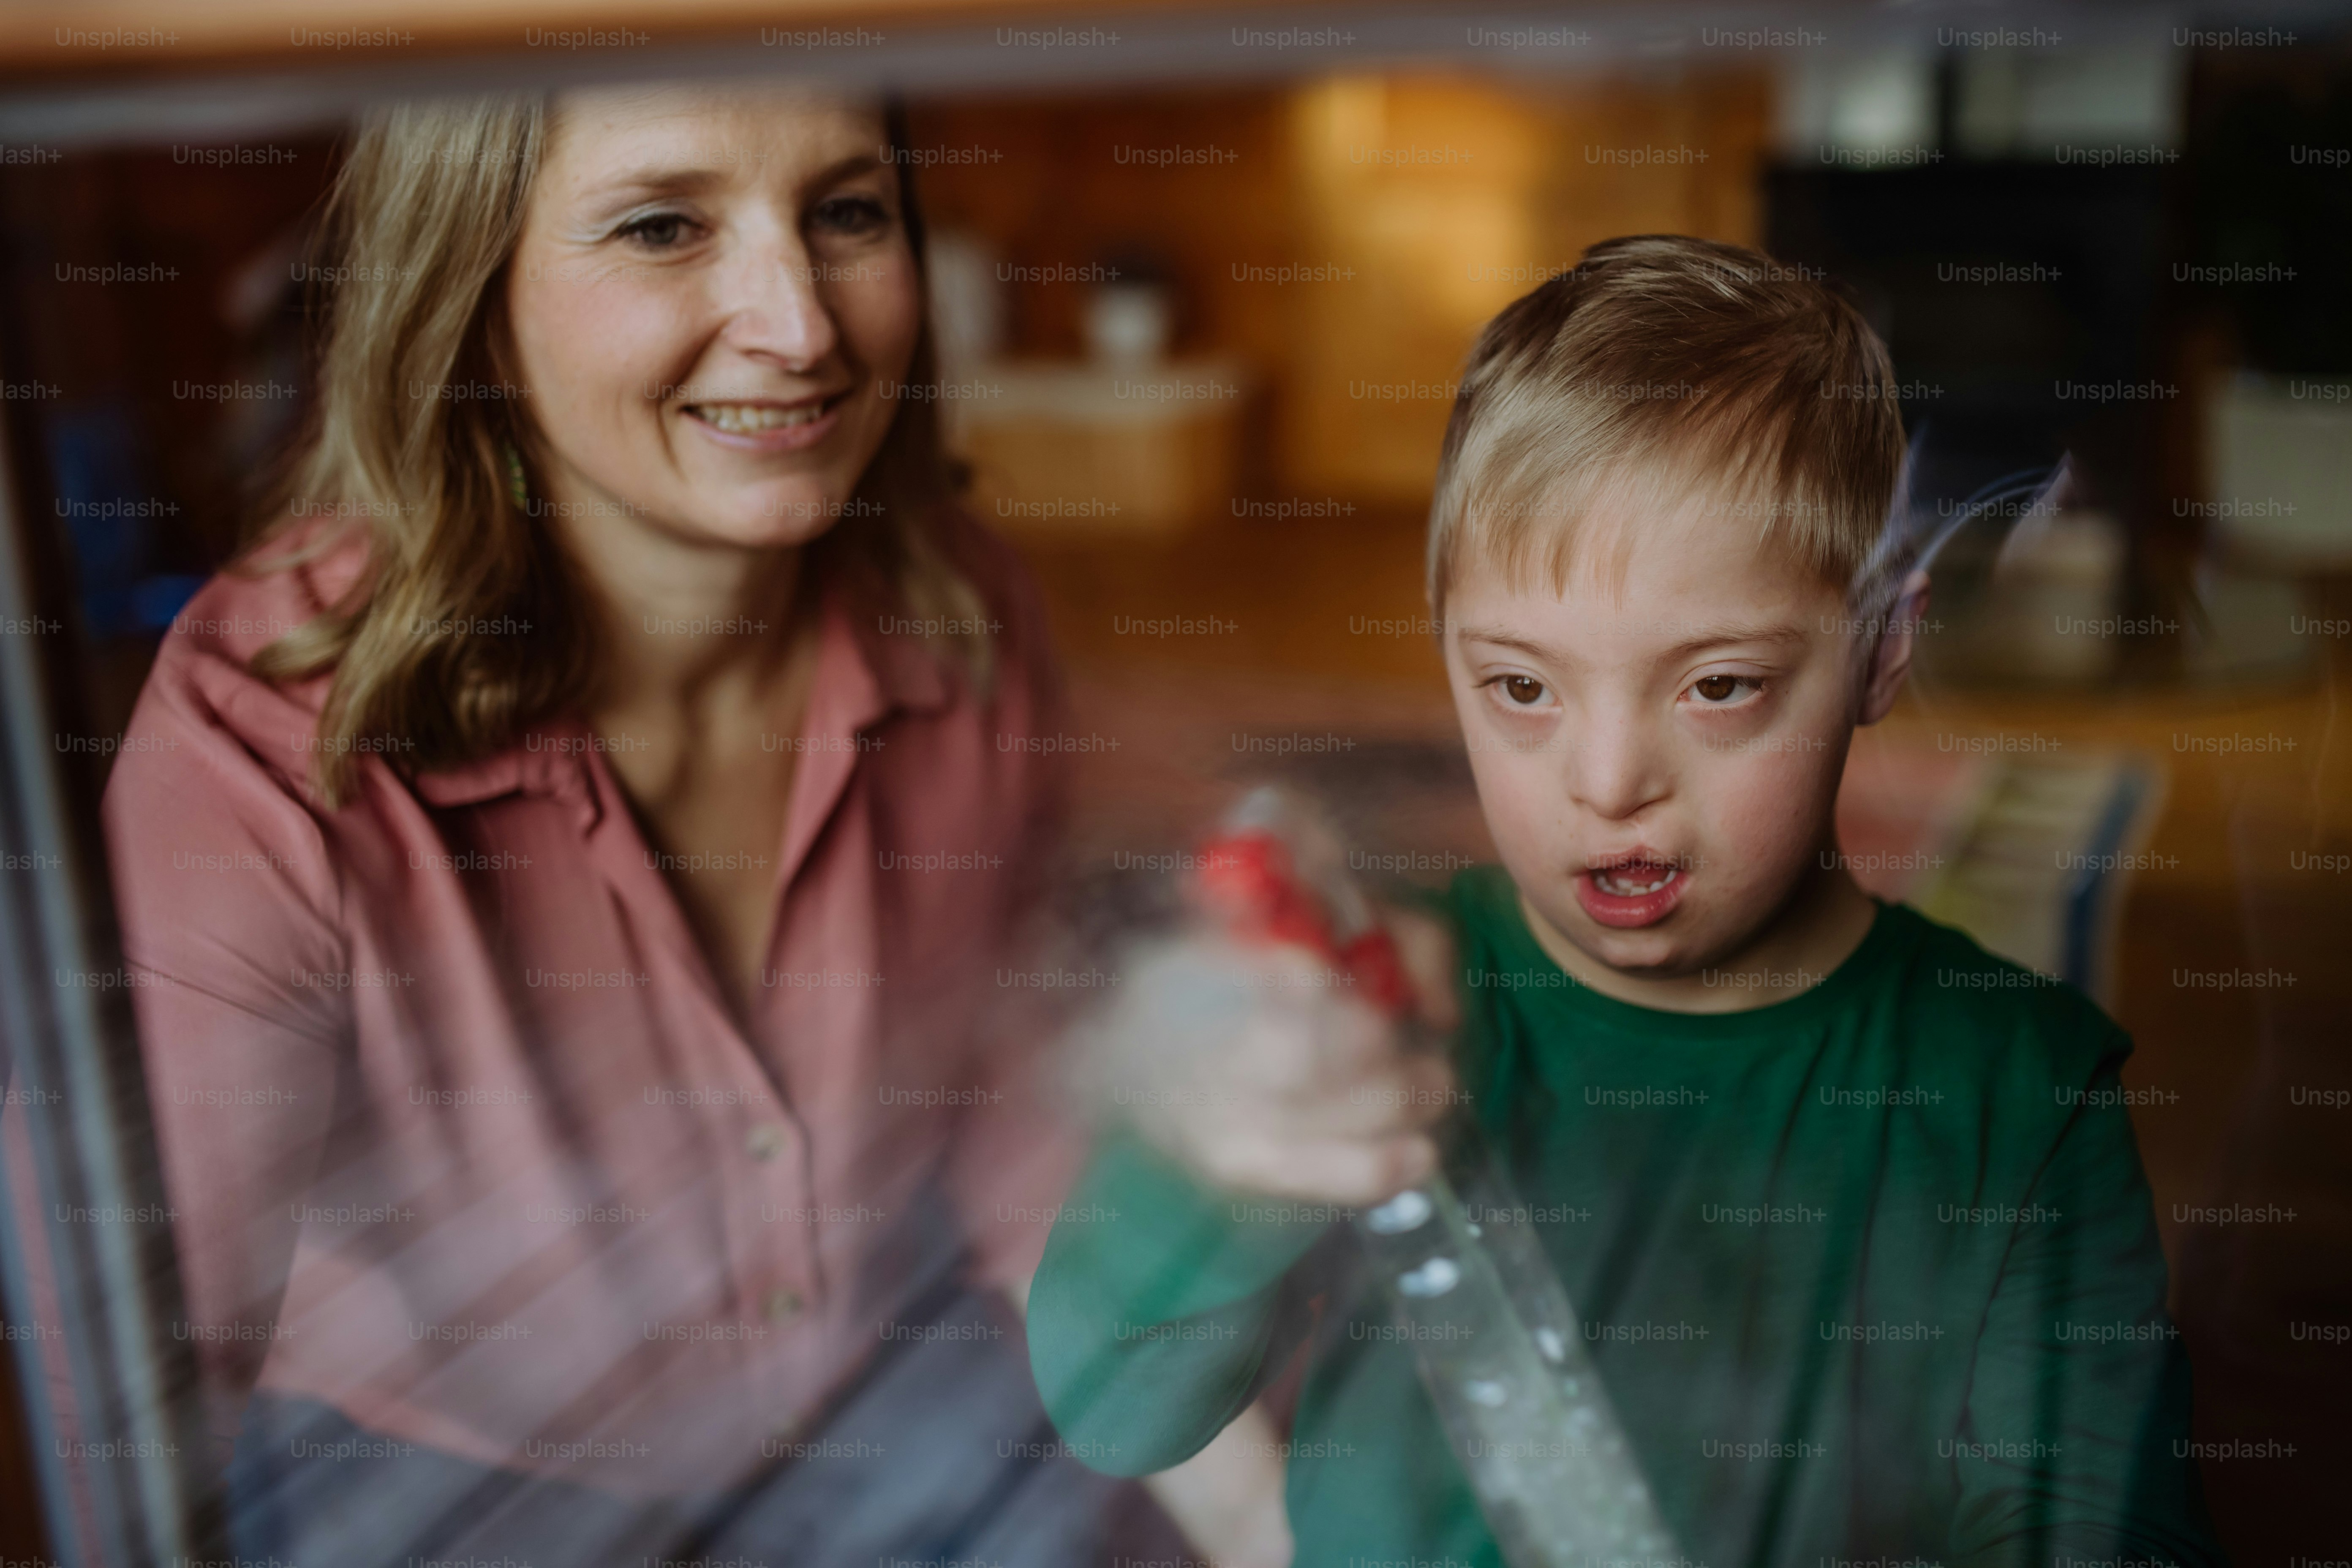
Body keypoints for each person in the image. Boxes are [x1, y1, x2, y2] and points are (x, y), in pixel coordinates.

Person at [95, 82, 1182, 1567]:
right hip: (437, 1500)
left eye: (847, 213)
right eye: (664, 226)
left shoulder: (965, 614)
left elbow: (1009, 1109)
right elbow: (135, 1392)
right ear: (471, 303)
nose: (799, 325)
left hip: (887, 1413)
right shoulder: (265, 740)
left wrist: (1239, 1502)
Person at [1027, 236, 2229, 1567]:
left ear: (1883, 646)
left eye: (1719, 685)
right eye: (1522, 688)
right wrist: (1207, 1161)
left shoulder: (2023, 1089)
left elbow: (2104, 1528)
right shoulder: (1377, 1020)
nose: (1608, 784)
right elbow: (1112, 1412)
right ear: (1445, 657)